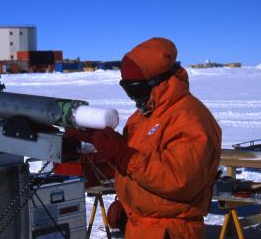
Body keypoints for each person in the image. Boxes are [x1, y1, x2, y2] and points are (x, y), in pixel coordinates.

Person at [65, 37, 222, 239]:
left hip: (171, 232)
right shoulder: (142, 118)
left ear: (159, 81)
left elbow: (179, 179)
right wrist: (128, 206)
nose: (134, 98)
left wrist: (123, 155)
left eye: (136, 89)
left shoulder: (190, 118)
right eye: (128, 90)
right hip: (142, 227)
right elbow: (137, 169)